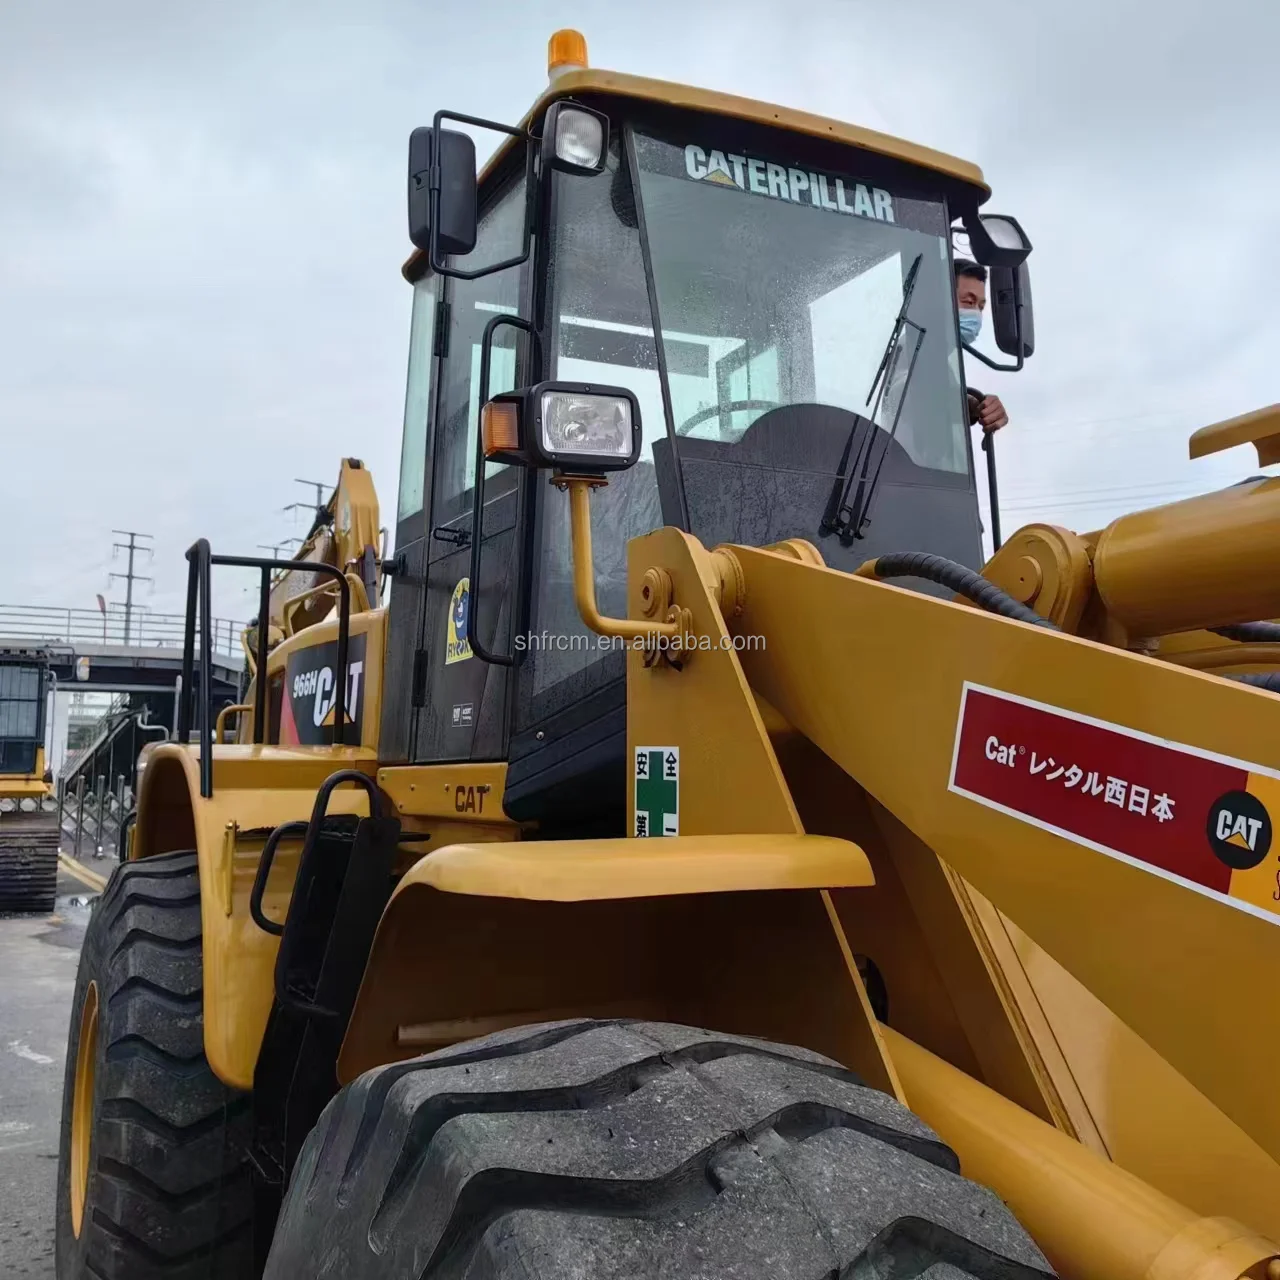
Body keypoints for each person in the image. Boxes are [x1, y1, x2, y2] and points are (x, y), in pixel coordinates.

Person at [954, 259, 1009, 432]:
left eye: (981, 307)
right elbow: (904, 389)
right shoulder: (912, 344)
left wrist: (980, 406)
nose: (976, 314)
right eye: (969, 303)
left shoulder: (951, 361)